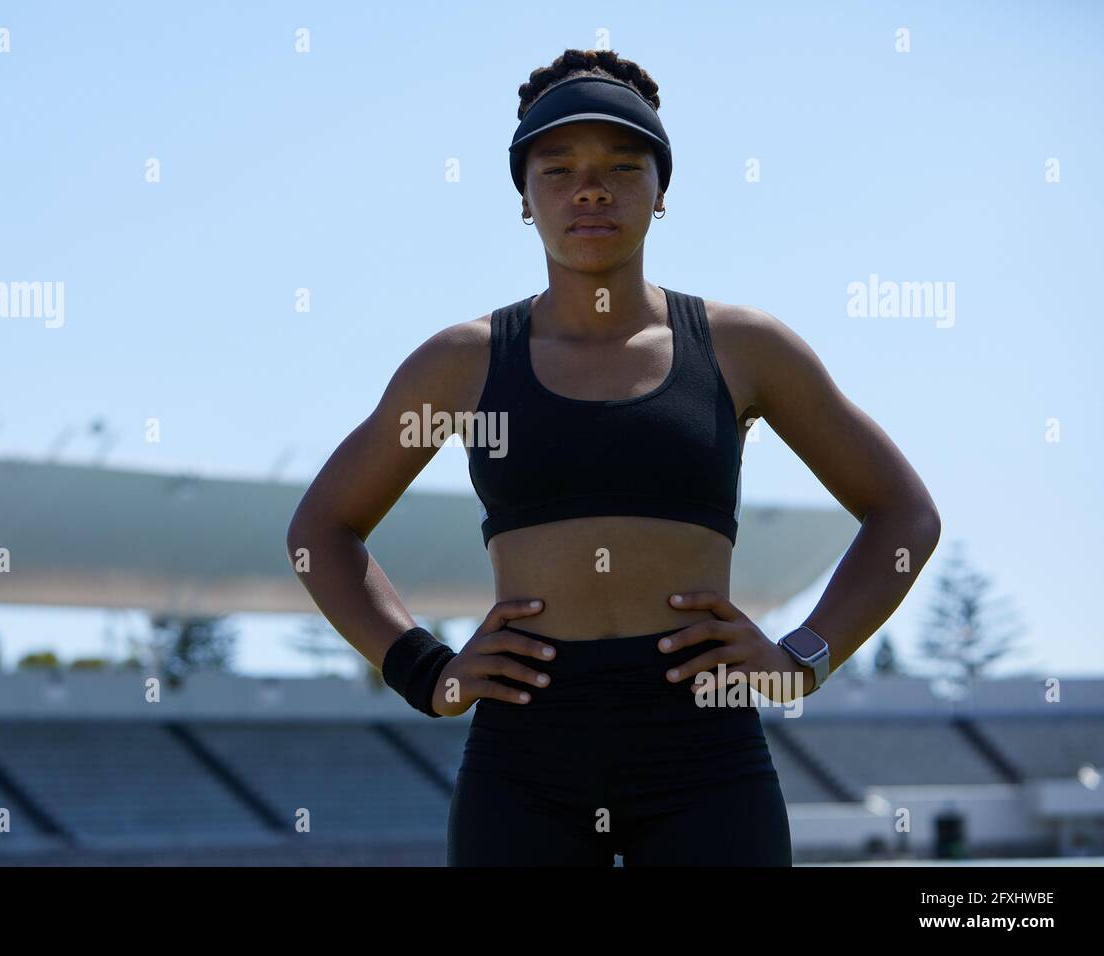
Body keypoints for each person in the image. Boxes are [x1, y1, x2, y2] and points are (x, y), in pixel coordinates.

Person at [285, 48, 942, 866]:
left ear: (661, 192)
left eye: (622, 167)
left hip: (706, 756)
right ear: (524, 198)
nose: (589, 189)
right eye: (557, 169)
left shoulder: (744, 350)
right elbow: (323, 528)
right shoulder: (463, 363)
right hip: (525, 760)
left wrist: (801, 658)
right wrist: (426, 671)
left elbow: (905, 516)